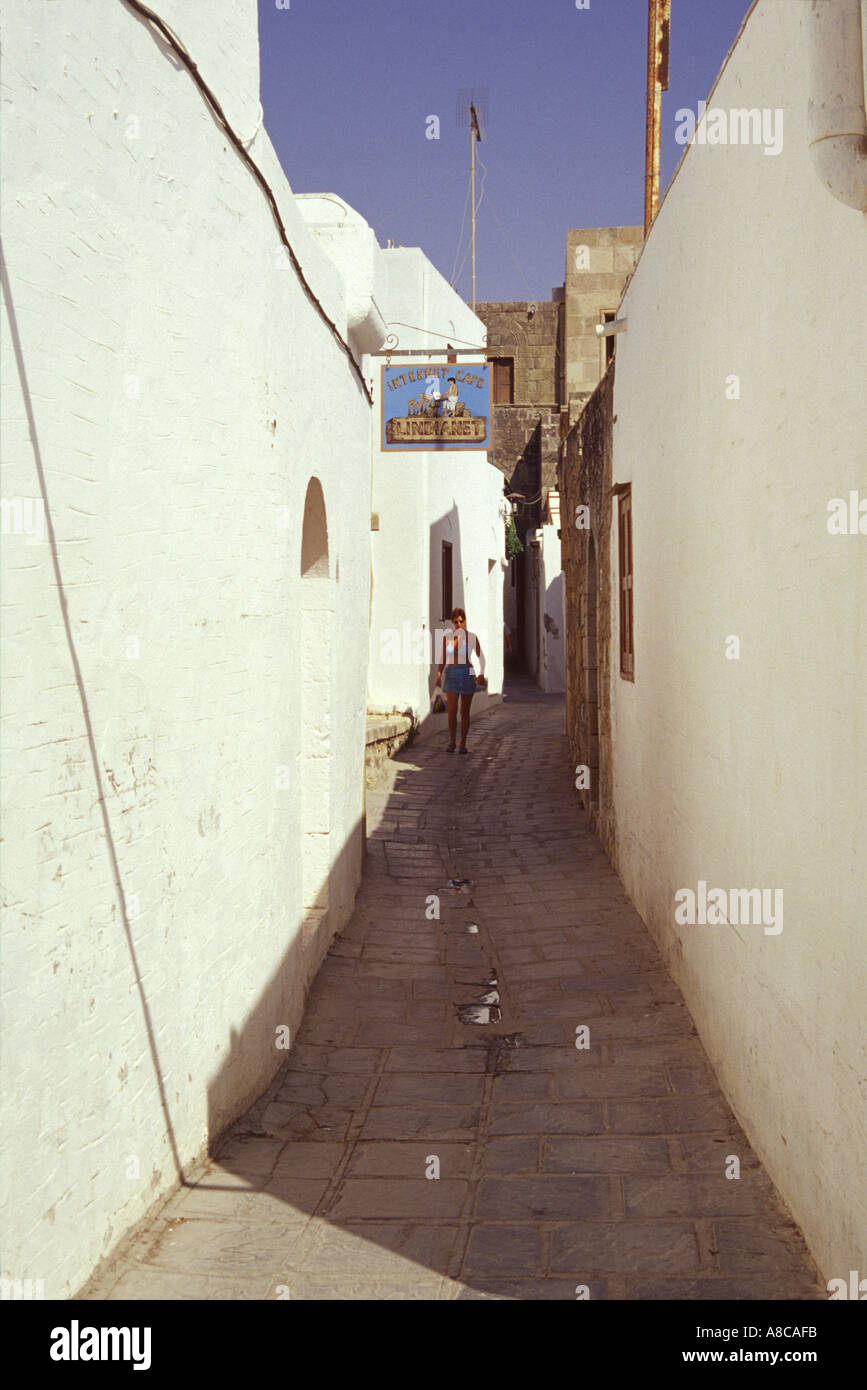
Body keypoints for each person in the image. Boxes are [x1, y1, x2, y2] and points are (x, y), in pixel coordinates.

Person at [435, 608, 485, 754]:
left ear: (465, 620)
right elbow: (443, 658)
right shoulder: (448, 638)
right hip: (451, 674)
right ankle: (452, 741)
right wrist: (438, 674)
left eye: (461, 621)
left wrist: (481, 673)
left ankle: (463, 742)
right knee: (451, 710)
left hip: (467, 672)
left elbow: (480, 657)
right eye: (456, 621)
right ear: (452, 622)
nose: (458, 624)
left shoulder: (472, 637)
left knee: (464, 711)